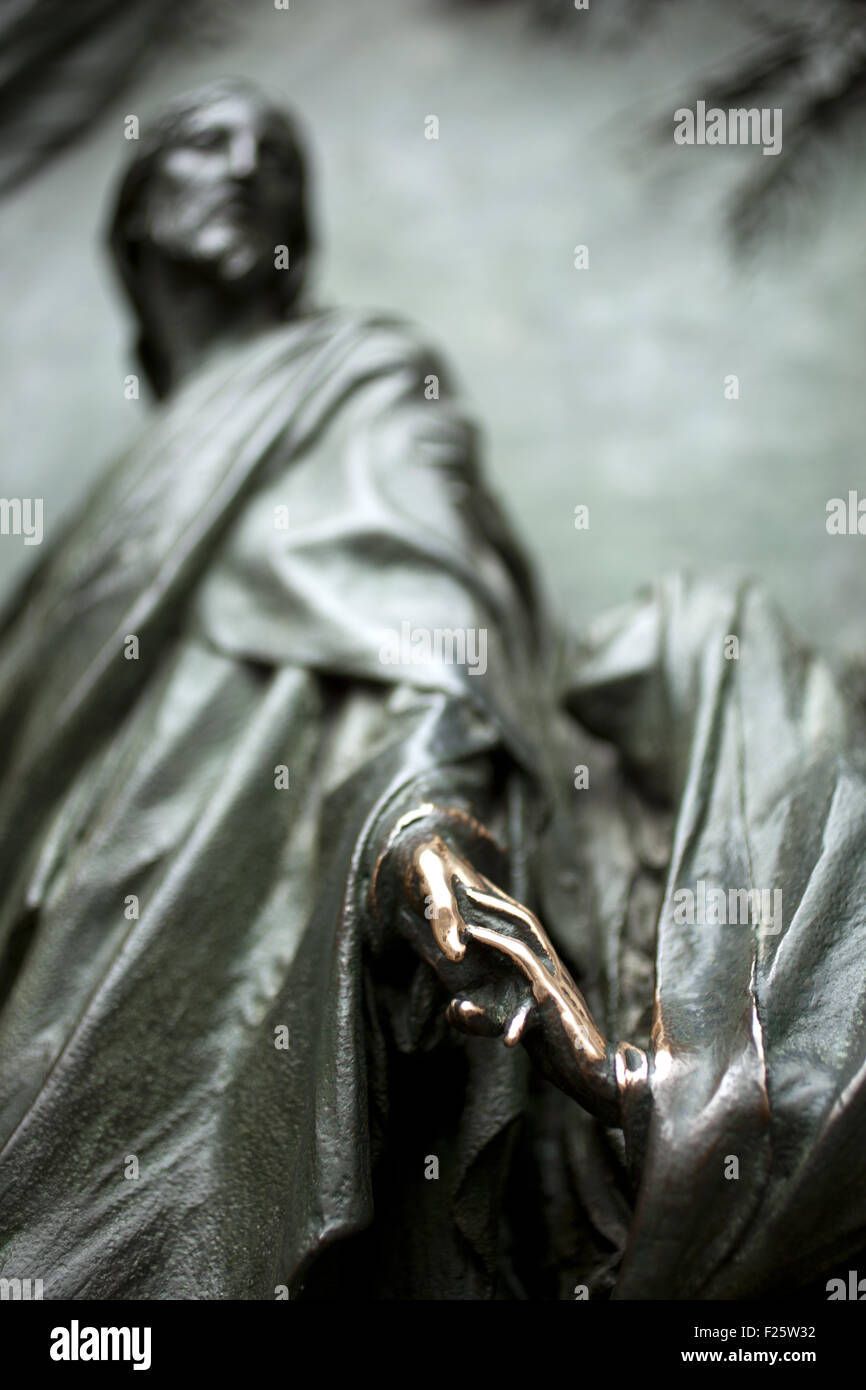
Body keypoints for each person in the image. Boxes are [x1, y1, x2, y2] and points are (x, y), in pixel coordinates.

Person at [0, 79, 864, 1302]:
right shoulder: (70, 546)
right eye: (206, 142)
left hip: (253, 827)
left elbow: (423, 606)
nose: (248, 165)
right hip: (82, 889)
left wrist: (423, 825)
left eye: (275, 155)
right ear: (135, 222)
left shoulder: (355, 373)